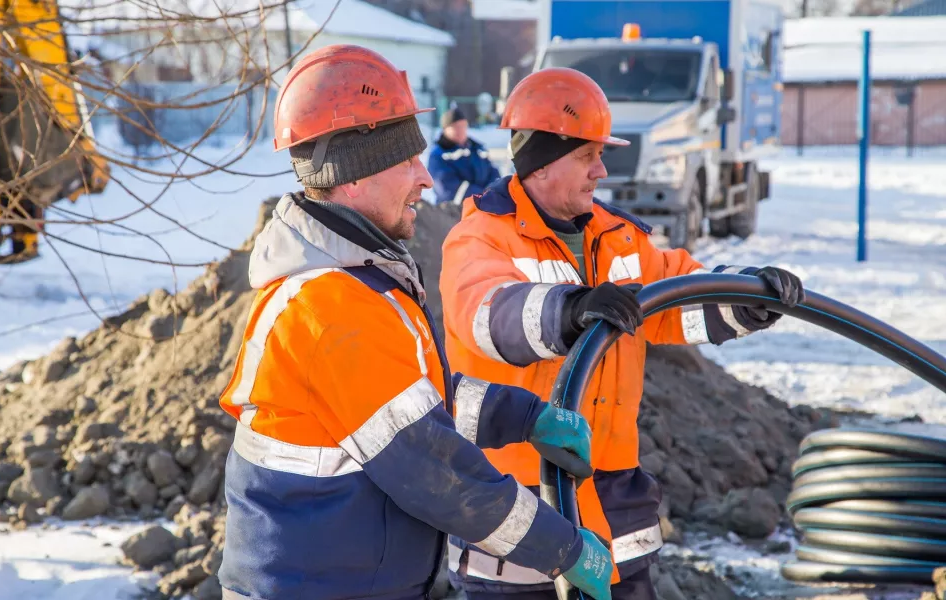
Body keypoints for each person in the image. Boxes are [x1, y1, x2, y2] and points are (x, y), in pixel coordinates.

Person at [217, 46, 617, 600]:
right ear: (354, 178)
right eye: (407, 161)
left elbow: (416, 400)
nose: (426, 179)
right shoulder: (332, 306)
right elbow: (433, 469)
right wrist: (562, 548)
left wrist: (526, 417)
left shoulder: (362, 281)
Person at [439, 67, 805, 600]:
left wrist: (748, 297)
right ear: (544, 161)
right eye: (588, 156)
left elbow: (679, 299)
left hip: (615, 508)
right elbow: (488, 315)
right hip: (518, 514)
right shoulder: (481, 239)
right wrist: (572, 310)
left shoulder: (618, 238)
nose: (601, 171)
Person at [427, 106, 501, 205]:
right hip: (452, 214)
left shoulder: (478, 149)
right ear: (445, 129)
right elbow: (446, 188)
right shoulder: (438, 154)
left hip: (483, 209)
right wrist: (482, 196)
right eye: (455, 126)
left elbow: (493, 173)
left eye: (463, 126)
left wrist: (493, 192)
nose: (460, 130)